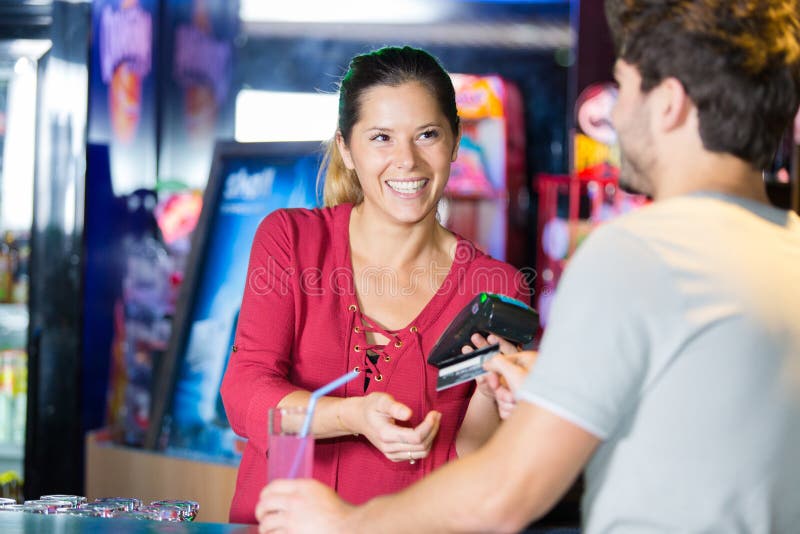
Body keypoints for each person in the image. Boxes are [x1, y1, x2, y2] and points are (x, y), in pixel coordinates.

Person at [254, 1, 800, 532]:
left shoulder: (634, 256)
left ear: (669, 104)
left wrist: (349, 524)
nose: (613, 111)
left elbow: (503, 495)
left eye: (624, 85)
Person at [220, 45, 529, 524]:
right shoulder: (291, 240)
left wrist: (491, 393)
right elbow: (243, 393)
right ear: (346, 147)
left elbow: (470, 464)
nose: (406, 161)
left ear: (454, 141)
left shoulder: (495, 286)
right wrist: (351, 416)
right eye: (381, 137)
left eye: (427, 135)